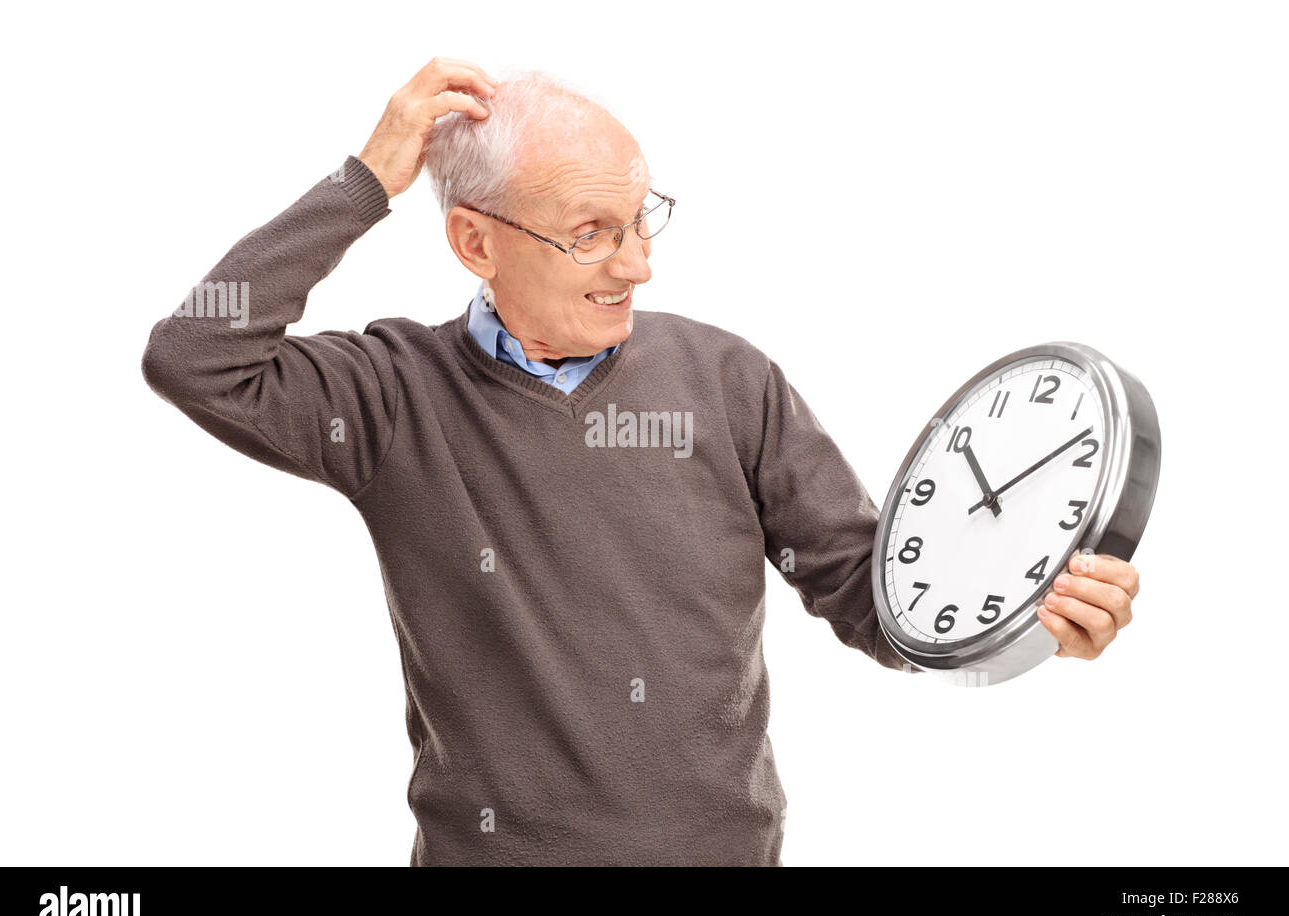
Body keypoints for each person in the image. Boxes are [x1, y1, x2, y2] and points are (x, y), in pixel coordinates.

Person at [141, 57, 1141, 865]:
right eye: (592, 233)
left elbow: (873, 598)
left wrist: (1029, 626)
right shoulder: (390, 396)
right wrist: (362, 182)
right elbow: (194, 354)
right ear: (473, 241)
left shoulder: (729, 379)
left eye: (639, 218)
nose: (638, 263)